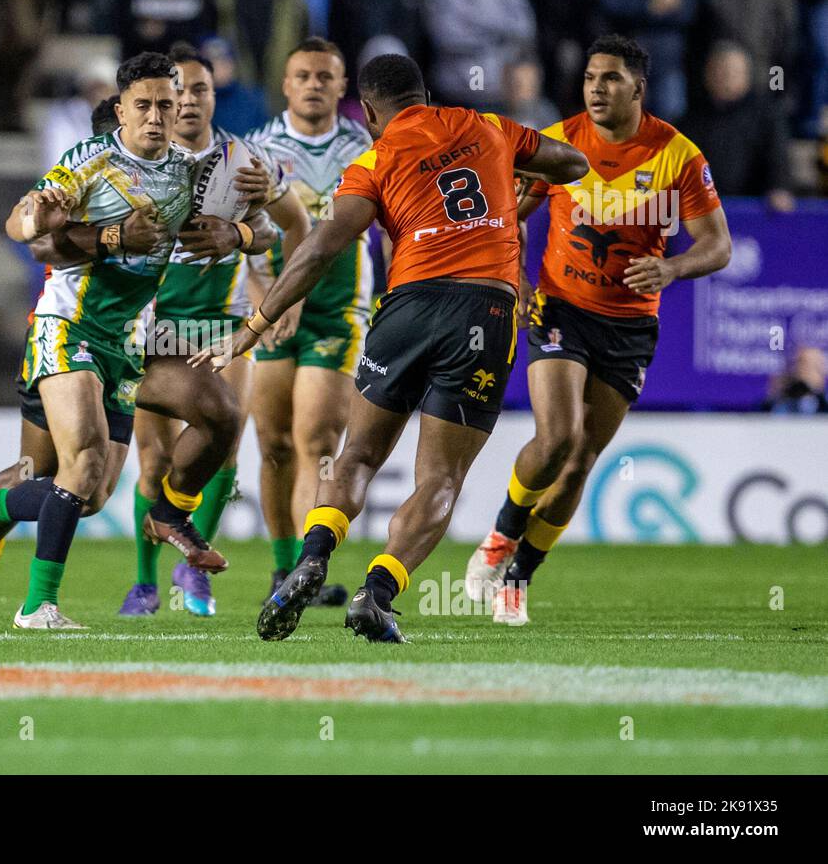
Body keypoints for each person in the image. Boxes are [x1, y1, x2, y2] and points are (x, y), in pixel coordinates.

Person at [194, 53, 589, 644]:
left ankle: (313, 556)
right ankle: (375, 594)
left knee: (356, 456)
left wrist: (253, 325)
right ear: (425, 93)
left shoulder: (373, 159)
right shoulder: (486, 126)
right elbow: (574, 163)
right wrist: (514, 180)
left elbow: (320, 248)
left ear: (370, 112)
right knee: (441, 477)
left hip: (405, 308)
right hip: (483, 309)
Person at [0, 52, 250, 630]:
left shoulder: (190, 171)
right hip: (69, 328)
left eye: (166, 104)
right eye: (144, 105)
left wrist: (241, 230)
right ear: (122, 108)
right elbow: (23, 230)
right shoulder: (90, 159)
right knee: (76, 470)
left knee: (111, 478)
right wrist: (91, 230)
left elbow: (261, 226)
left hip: (129, 345)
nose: (157, 116)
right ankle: (38, 606)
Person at [466, 35, 731, 625]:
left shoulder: (677, 156)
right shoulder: (558, 146)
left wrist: (671, 266)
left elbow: (718, 246)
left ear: (638, 87)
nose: (596, 88)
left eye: (610, 79)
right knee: (558, 435)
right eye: (589, 78)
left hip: (632, 326)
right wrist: (517, 279)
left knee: (582, 459)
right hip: (561, 308)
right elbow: (506, 216)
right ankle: (500, 535)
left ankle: (519, 576)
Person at [119, 42, 310, 617]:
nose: (189, 101)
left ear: (211, 96)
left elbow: (295, 225)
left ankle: (192, 573)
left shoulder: (244, 161)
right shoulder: (136, 161)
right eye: (180, 91)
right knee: (153, 462)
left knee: (223, 454)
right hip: (153, 325)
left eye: (201, 89)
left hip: (222, 325)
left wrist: (278, 297)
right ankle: (144, 582)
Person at [244, 37, 371, 605]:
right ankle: (280, 568)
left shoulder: (366, 146)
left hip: (338, 309)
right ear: (287, 85)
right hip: (272, 305)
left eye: (326, 75)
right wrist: (260, 293)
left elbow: (391, 224)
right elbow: (237, 230)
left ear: (342, 86)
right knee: (272, 444)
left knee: (317, 438)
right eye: (304, 75)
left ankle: (305, 567)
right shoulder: (257, 150)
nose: (315, 84)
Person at [423, 0, 536, 111]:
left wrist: (475, 28)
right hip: (452, 97)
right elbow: (446, 38)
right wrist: (497, 35)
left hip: (500, 97)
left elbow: (525, 30)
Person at [682, 42, 795, 211]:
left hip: (754, 211)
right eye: (720, 71)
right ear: (707, 73)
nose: (726, 78)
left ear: (746, 76)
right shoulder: (689, 120)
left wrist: (779, 187)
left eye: (734, 73)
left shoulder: (767, 117)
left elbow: (777, 158)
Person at [763, 347, 828, 414]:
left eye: (808, 366)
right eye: (798, 364)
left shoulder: (824, 405)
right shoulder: (775, 404)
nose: (802, 371)